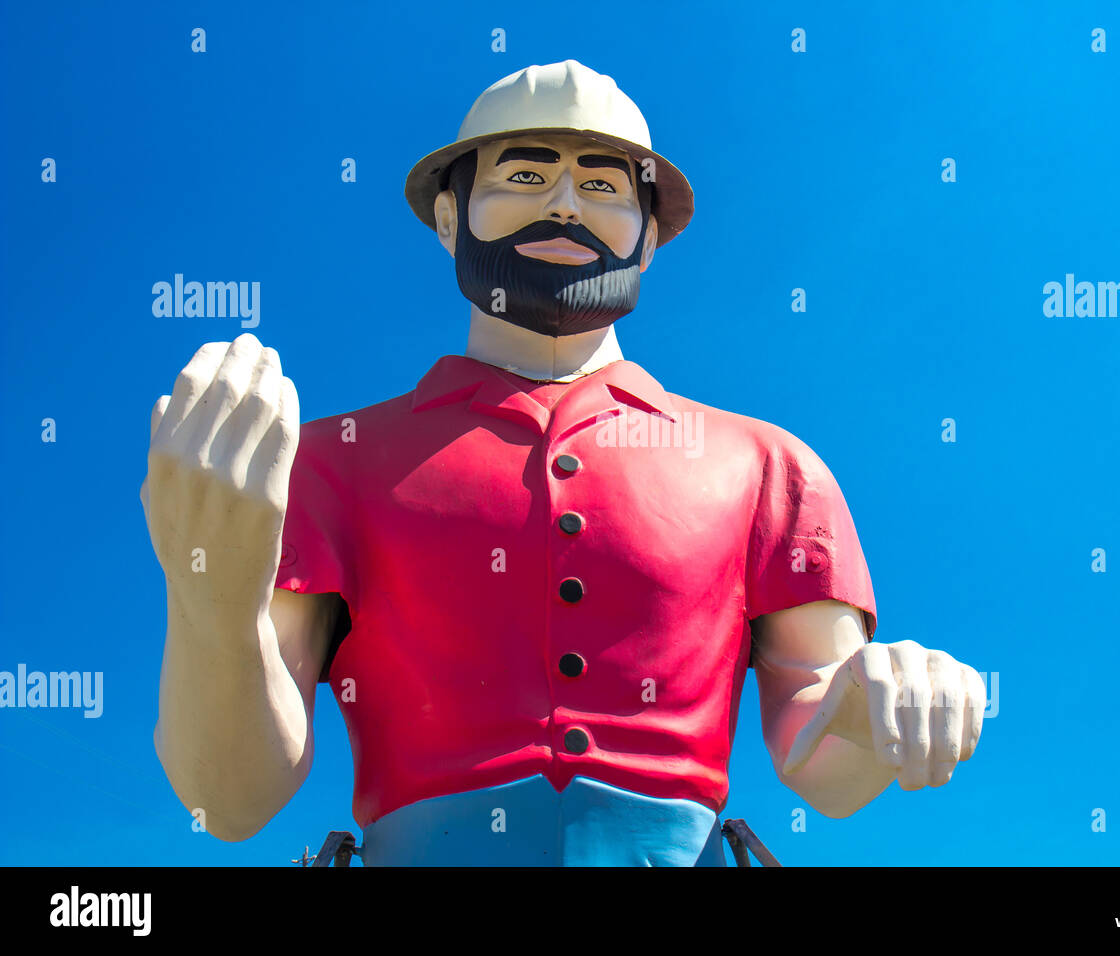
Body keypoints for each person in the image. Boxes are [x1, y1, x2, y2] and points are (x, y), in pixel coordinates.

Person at [141, 60, 986, 866]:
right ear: (448, 217)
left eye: (605, 187)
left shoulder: (772, 467)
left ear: (649, 237)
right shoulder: (323, 465)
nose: (566, 207)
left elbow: (821, 764)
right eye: (524, 176)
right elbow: (233, 801)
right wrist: (210, 598)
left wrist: (868, 702)